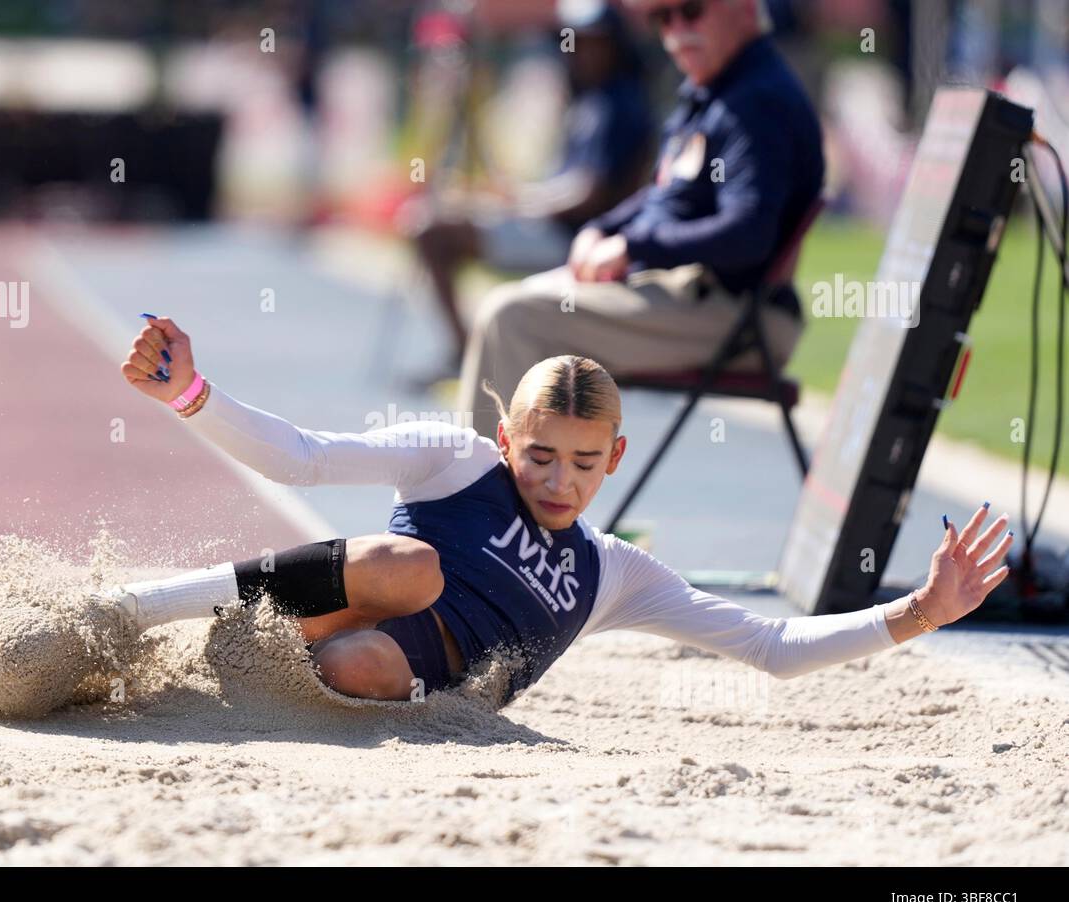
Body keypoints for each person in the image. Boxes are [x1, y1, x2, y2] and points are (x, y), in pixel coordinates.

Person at [105, 314, 1014, 706]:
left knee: (368, 662)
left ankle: (226, 665)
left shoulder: (615, 573)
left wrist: (919, 613)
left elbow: (770, 650)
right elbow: (301, 459)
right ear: (505, 439)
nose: (557, 480)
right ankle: (134, 613)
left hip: (406, 683)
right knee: (410, 566)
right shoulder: (455, 460)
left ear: (614, 460)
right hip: (351, 601)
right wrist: (191, 394)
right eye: (538, 455)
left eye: (583, 464)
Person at [457, 0, 824, 437]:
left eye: (690, 12)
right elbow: (663, 195)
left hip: (739, 315)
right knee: (516, 304)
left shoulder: (758, 102)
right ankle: (512, 493)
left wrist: (634, 247)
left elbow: (748, 235)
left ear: (743, 9)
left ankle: (478, 496)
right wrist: (603, 229)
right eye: (662, 18)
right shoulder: (718, 89)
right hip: (691, 296)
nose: (675, 30)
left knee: (512, 316)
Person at [399, 0, 655, 384]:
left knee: (432, 233)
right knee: (427, 218)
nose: (581, 52)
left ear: (614, 45)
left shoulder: (619, 105)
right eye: (574, 42)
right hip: (554, 226)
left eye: (592, 42)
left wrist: (521, 203)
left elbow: (589, 195)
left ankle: (464, 354)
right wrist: (515, 198)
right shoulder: (591, 99)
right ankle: (467, 353)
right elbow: (567, 184)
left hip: (576, 239)